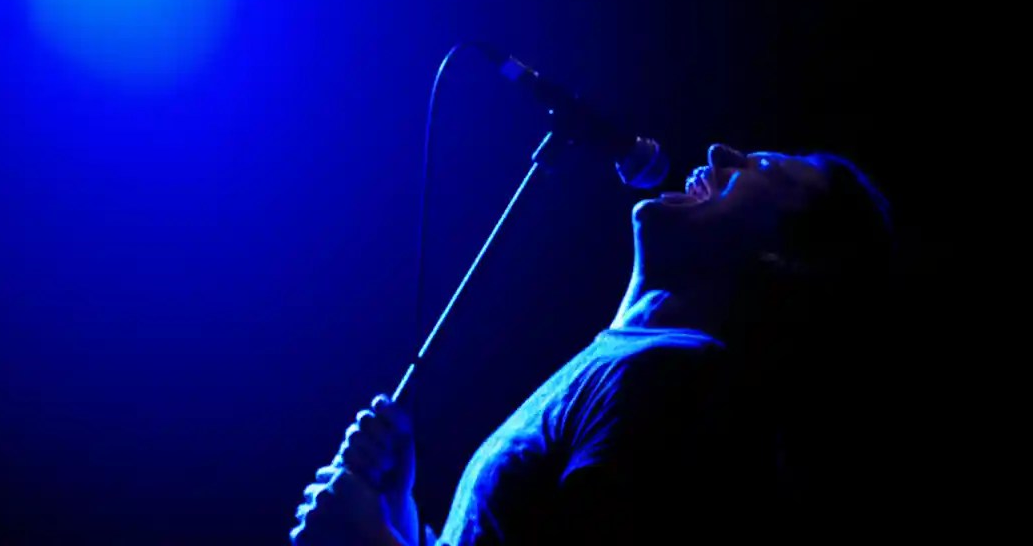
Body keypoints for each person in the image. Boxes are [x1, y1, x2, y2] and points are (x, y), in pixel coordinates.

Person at [291, 143, 894, 545]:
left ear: (782, 258)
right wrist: (398, 517)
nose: (721, 152)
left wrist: (365, 541)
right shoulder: (633, 363)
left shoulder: (671, 383)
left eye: (762, 165)